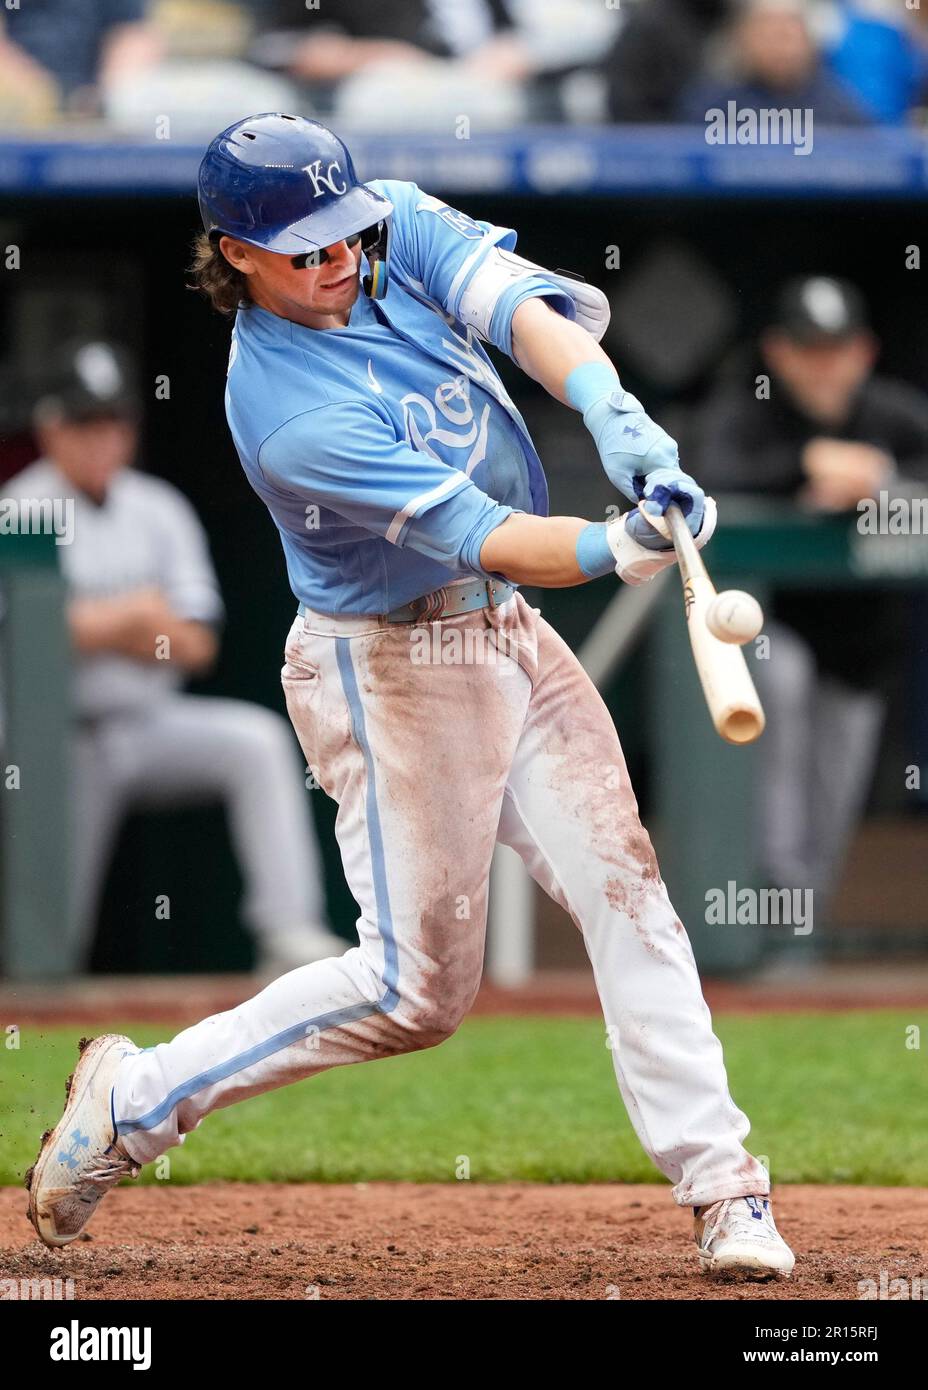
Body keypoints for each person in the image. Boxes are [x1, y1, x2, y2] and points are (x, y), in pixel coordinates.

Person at [26, 115, 794, 1280]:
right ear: (235, 250)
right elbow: (489, 537)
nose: (340, 258)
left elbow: (516, 312)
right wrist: (618, 544)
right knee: (414, 992)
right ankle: (134, 1100)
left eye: (345, 234)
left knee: (629, 892)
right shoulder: (290, 416)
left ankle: (725, 1188)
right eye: (306, 248)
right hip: (390, 663)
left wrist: (608, 409)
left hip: (506, 636)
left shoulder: (382, 219)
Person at [6, 340, 342, 978]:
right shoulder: (22, 507)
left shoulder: (157, 509)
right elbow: (29, 638)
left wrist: (90, 624)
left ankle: (287, 932)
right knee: (47, 955)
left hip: (146, 724)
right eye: (84, 424)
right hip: (49, 747)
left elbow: (196, 642)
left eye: (113, 423)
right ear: (51, 428)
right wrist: (136, 616)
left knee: (257, 742)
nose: (102, 440)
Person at [693, 276, 928, 931]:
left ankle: (798, 933)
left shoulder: (892, 416)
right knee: (782, 682)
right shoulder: (748, 412)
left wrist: (881, 481)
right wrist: (805, 468)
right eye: (809, 349)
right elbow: (703, 479)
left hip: (861, 651)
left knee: (835, 792)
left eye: (838, 349)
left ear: (864, 351)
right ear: (778, 352)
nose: (824, 365)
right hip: (771, 632)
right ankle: (765, 910)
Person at [677, 0, 870, 126]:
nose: (778, 48)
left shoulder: (840, 108)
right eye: (766, 36)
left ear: (807, 40)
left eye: (786, 36)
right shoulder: (713, 105)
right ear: (743, 39)